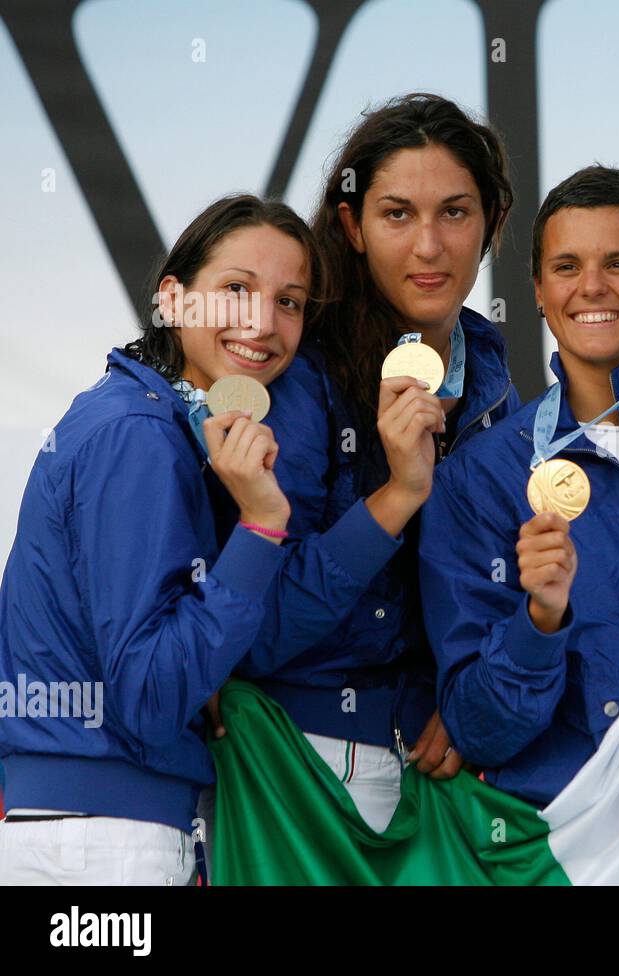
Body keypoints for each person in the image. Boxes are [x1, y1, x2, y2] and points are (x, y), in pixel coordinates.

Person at [0, 194, 320, 883]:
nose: (263, 322)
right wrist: (263, 525)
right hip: (105, 844)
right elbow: (149, 697)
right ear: (173, 300)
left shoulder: (145, 420)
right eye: (237, 288)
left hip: (91, 831)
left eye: (290, 301)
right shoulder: (139, 434)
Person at [228, 93, 520, 832]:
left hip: (434, 776)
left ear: (491, 223)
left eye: (455, 212)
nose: (429, 246)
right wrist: (395, 496)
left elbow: (506, 587)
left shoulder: (491, 376)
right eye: (397, 215)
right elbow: (257, 631)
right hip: (294, 764)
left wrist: (467, 698)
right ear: (352, 226)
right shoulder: (299, 375)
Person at [420, 165, 619, 807]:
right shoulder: (480, 477)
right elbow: (478, 729)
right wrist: (540, 620)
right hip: (580, 838)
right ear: (539, 291)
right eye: (567, 267)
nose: (591, 286)